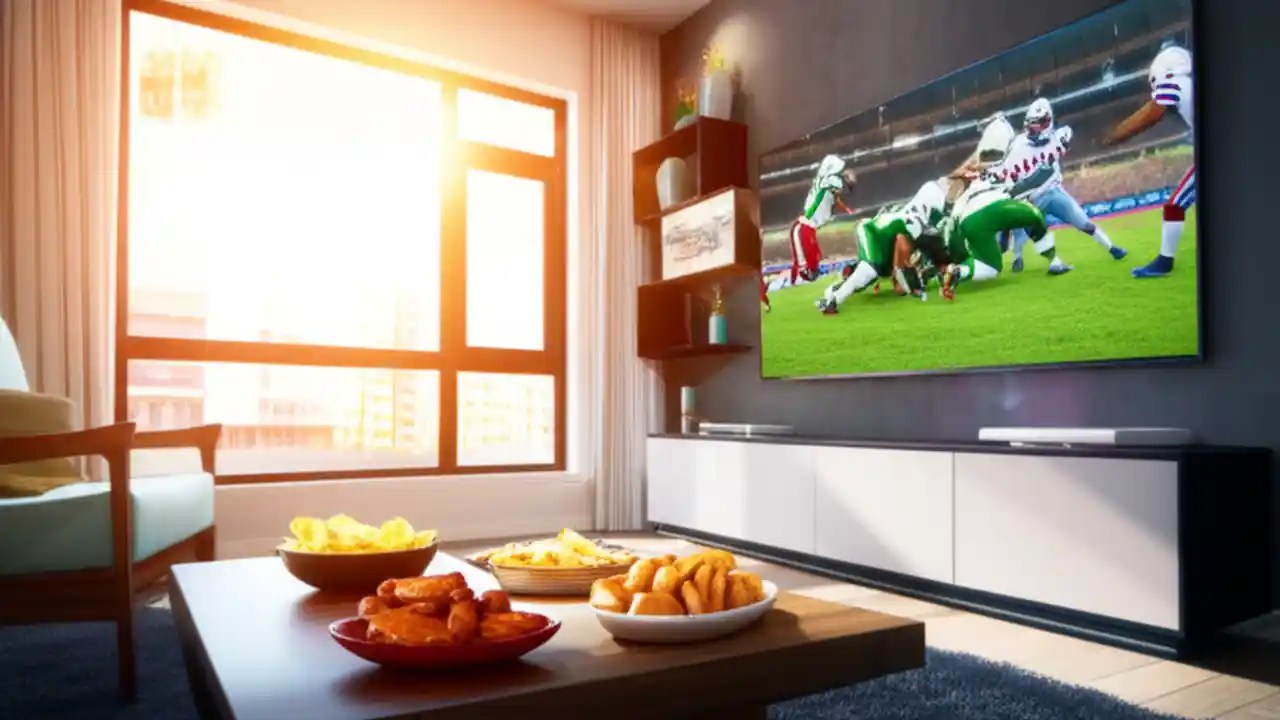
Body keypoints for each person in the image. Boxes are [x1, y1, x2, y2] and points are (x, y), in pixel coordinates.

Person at [1000, 98, 1126, 272]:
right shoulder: (1017, 148)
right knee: (1026, 233)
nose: (1035, 128)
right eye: (1032, 124)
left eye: (1038, 123)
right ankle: (1021, 258)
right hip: (1031, 200)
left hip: (1053, 192)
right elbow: (1009, 179)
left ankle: (1112, 248)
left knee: (1084, 223)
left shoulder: (1056, 138)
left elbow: (1066, 134)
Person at [1103, 44, 1195, 278]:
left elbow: (1151, 113)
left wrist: (1116, 135)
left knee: (1174, 205)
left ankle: (1165, 261)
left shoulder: (1176, 83)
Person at [789, 154, 856, 284]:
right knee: (806, 268)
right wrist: (848, 179)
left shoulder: (825, 183)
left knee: (814, 263)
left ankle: (800, 281)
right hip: (804, 226)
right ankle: (793, 285)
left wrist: (848, 210)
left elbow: (836, 198)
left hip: (809, 227)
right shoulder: (829, 181)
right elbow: (841, 185)